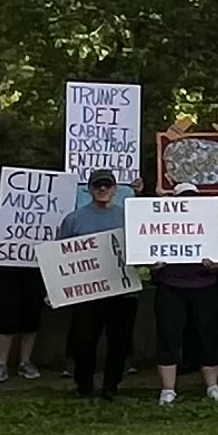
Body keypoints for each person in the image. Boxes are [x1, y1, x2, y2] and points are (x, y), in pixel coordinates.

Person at [152, 181, 218, 408]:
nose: (188, 202)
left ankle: (212, 386)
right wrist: (153, 263)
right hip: (171, 284)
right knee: (168, 337)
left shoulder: (211, 222)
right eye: (184, 198)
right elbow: (145, 253)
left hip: (205, 284)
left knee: (208, 336)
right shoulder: (161, 224)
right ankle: (168, 389)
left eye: (193, 198)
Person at [57, 168, 138, 400]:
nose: (102, 189)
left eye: (107, 185)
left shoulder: (128, 217)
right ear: (89, 189)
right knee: (84, 340)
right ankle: (84, 386)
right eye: (97, 185)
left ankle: (112, 386)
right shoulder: (73, 220)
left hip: (123, 291)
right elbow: (61, 255)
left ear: (115, 189)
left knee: (120, 340)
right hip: (86, 292)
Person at [0, 206, 46, 383]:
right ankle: (1, 364)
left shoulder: (46, 215)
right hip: (4, 272)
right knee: (3, 316)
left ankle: (25, 362)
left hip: (33, 270)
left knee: (31, 316)